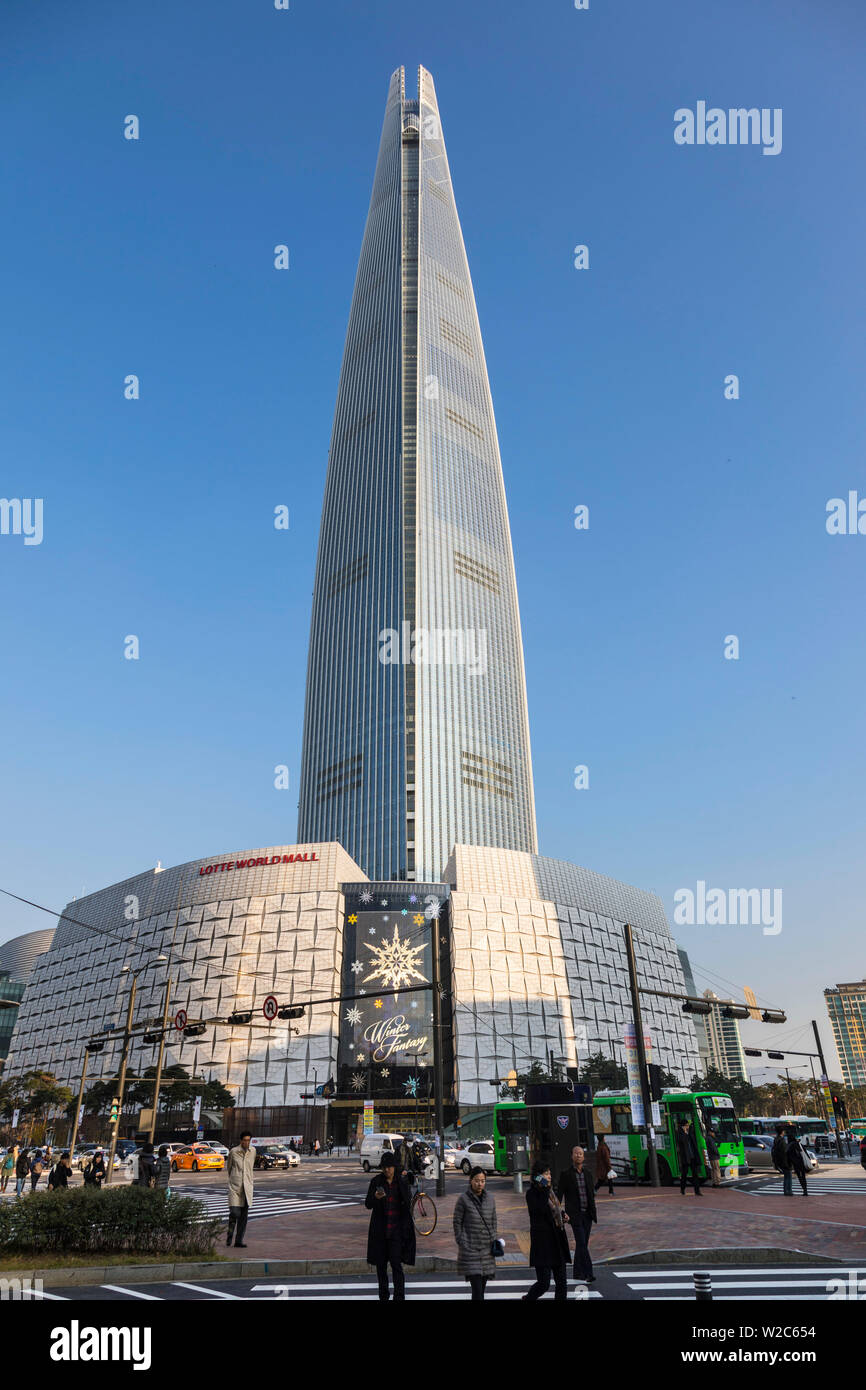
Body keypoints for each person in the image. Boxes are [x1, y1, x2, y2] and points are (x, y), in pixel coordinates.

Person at [364, 1152, 416, 1301]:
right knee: (381, 1268)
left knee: (396, 1266)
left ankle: (399, 1297)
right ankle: (384, 1296)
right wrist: (375, 1198)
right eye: (385, 1167)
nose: (387, 1170)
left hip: (396, 1232)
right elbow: (368, 1204)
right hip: (380, 1232)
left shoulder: (401, 1182)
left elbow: (407, 1204)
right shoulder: (376, 1182)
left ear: (394, 1167)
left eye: (390, 1167)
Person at [524, 1159, 570, 1301]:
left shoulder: (550, 1192)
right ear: (538, 1176)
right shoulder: (532, 1194)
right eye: (546, 1174)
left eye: (550, 1173)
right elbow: (539, 1209)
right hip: (543, 1244)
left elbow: (555, 1209)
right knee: (544, 1283)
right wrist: (543, 1187)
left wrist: (563, 1215)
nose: (549, 1176)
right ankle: (529, 1298)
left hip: (557, 1241)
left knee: (562, 1282)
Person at [453, 1166, 499, 1300]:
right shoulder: (463, 1199)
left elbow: (493, 1220)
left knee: (481, 1290)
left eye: (483, 1181)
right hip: (470, 1249)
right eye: (477, 1180)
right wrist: (461, 1240)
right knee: (477, 1290)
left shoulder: (490, 1198)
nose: (480, 1184)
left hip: (486, 1250)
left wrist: (494, 1237)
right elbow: (457, 1222)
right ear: (470, 1181)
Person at [556, 1145, 598, 1283]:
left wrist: (593, 1212)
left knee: (583, 1244)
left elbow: (591, 1193)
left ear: (583, 1157)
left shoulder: (588, 1173)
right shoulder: (566, 1174)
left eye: (581, 1154)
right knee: (581, 1242)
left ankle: (577, 1272)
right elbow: (559, 1196)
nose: (578, 1155)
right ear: (572, 1156)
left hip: (588, 1215)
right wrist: (560, 1213)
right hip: (575, 1215)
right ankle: (588, 1272)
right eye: (576, 1153)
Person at [226, 1132, 256, 1247]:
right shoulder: (234, 1152)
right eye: (244, 1140)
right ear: (240, 1140)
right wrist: (234, 1179)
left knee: (243, 1217)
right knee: (235, 1212)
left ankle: (238, 1241)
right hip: (235, 1187)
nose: (246, 1142)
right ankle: (229, 1234)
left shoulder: (253, 1151)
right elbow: (229, 1168)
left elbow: (251, 1168)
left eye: (248, 1140)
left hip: (247, 1188)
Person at [675, 1118, 702, 1196]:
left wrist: (688, 1132)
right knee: (684, 1174)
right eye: (686, 1125)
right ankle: (682, 1189)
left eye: (688, 1125)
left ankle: (697, 1191)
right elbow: (682, 1141)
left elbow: (693, 1140)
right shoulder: (679, 1134)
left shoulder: (690, 1133)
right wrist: (684, 1132)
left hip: (692, 1156)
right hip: (685, 1158)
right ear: (683, 1126)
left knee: (695, 1174)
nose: (688, 1127)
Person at [786, 1127, 808, 1196]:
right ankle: (805, 1190)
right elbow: (804, 1152)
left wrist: (789, 1164)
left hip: (796, 1164)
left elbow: (788, 1155)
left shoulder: (789, 1146)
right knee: (803, 1176)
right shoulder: (798, 1144)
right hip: (801, 1162)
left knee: (800, 1177)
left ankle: (804, 1189)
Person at [772, 1125, 792, 1196]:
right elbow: (784, 1152)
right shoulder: (782, 1140)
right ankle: (788, 1191)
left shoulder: (776, 1139)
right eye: (784, 1131)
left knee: (786, 1176)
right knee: (788, 1176)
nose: (784, 1132)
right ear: (782, 1132)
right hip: (784, 1161)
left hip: (779, 1161)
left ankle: (786, 1191)